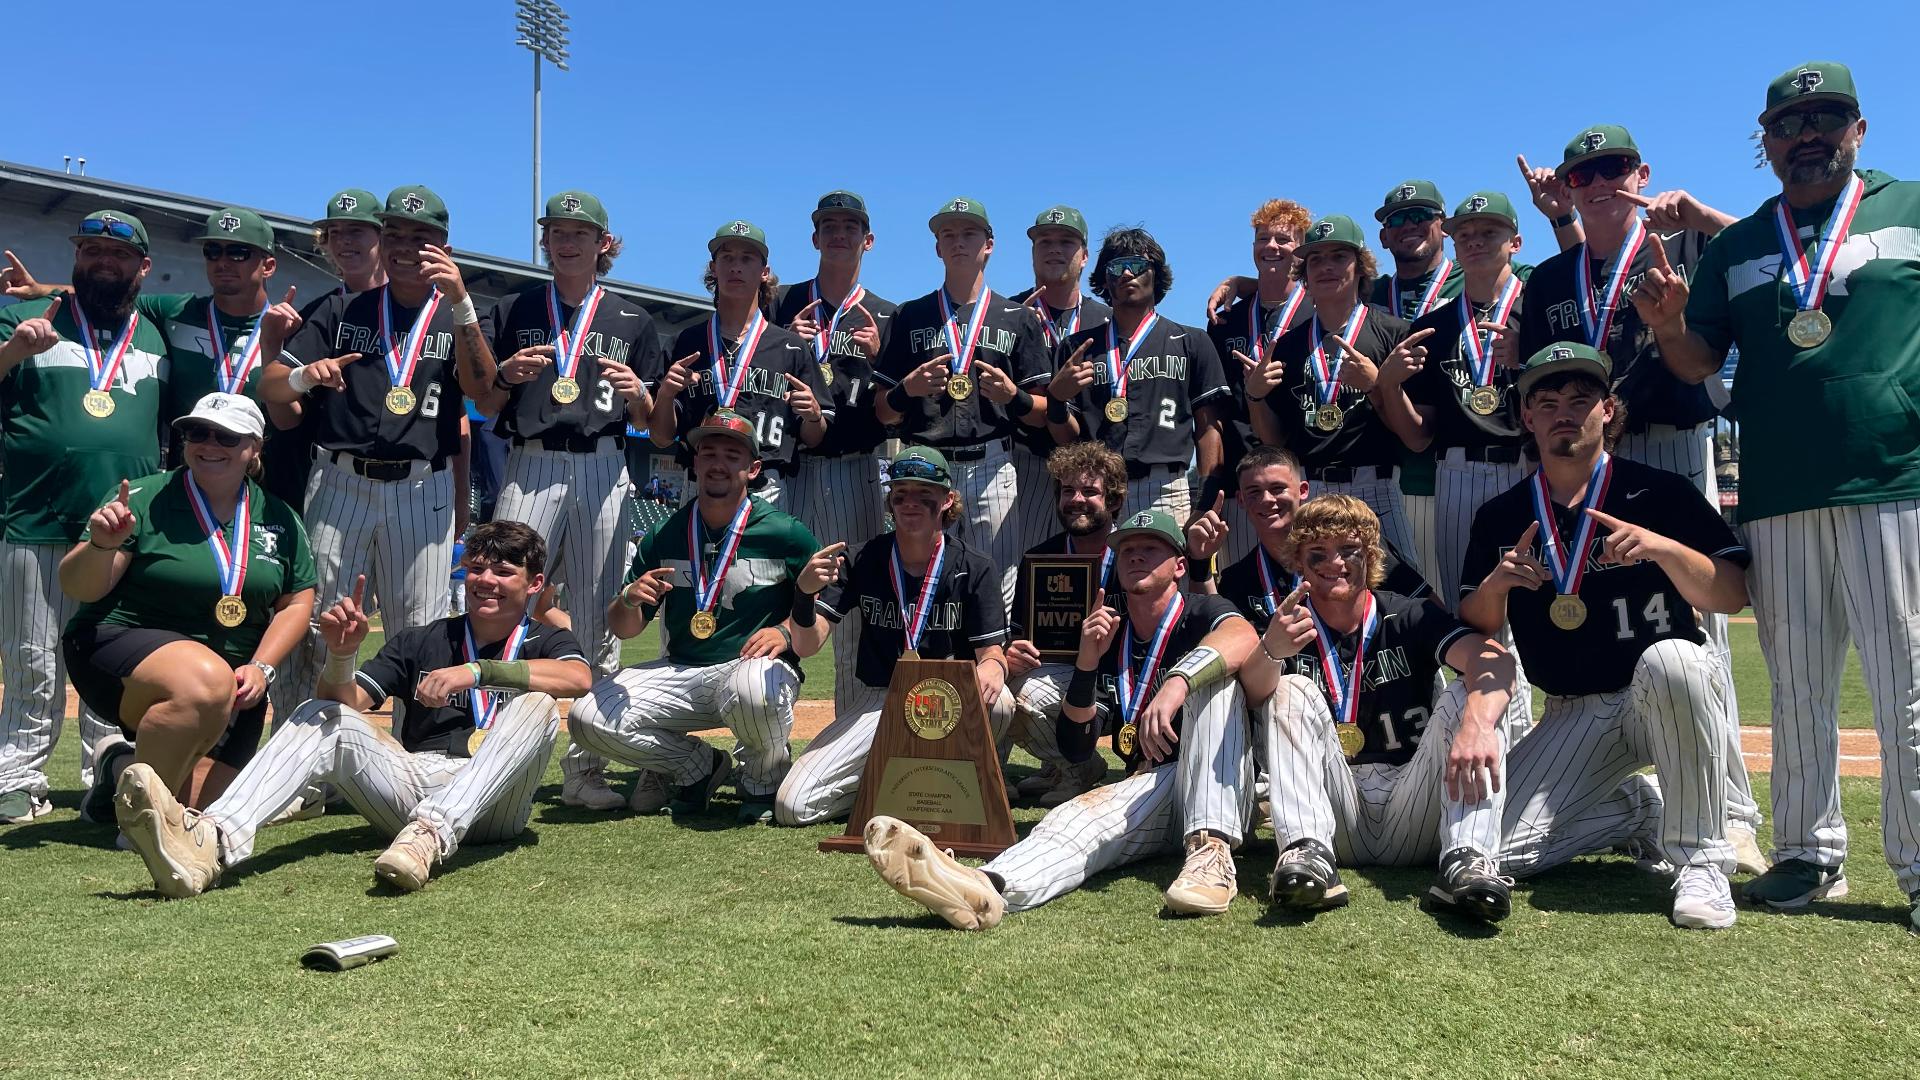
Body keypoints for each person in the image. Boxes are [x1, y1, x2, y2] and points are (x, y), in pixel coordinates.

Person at [1638, 61, 1920, 927]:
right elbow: (1698, 365)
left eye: (1828, 117)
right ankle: (1806, 853)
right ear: (1765, 143)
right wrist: (1668, 327)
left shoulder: (1908, 208)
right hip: (1777, 489)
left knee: (1905, 682)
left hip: (1892, 478)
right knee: (1797, 686)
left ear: (1859, 130)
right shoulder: (1739, 245)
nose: (1809, 135)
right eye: (1790, 123)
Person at [111, 519, 592, 897]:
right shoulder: (421, 640)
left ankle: (431, 835)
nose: (486, 581)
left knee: (537, 707)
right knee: (319, 714)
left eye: (504, 572)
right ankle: (211, 841)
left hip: (495, 799)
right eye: (478, 569)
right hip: (415, 784)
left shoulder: (547, 639)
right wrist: (342, 655)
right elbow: (342, 705)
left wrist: (479, 671)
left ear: (534, 585)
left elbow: (578, 678)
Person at [1513, 123, 1758, 843]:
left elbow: (1773, 250)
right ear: (1569, 186)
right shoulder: (1556, 276)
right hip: (1591, 459)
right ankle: (1634, 791)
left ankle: (1731, 813)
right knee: (1606, 611)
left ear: (1642, 173)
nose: (1599, 183)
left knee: (1697, 629)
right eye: (1583, 174)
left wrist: (1706, 216)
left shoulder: (1683, 243)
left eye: (1613, 167)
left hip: (1673, 444)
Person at [1460, 342, 1751, 929]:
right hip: (1575, 711)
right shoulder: (1502, 514)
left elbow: (1731, 593)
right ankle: (1640, 810)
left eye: (1579, 398)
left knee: (1676, 658)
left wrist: (1662, 548)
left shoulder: (1660, 492)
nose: (1563, 412)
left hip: (1665, 690)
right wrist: (1493, 588)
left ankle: (1700, 861)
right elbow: (1480, 625)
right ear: (1527, 418)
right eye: (1546, 402)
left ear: (1608, 410)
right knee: (1497, 849)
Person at [861, 508, 1258, 927]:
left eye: (1151, 549)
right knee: (1075, 819)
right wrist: (1087, 666)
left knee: (1217, 681)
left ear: (1180, 566)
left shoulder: (1200, 610)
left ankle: (1212, 855)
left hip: (1225, 795)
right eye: (1127, 551)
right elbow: (1076, 747)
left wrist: (1177, 682)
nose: (1136, 557)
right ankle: (981, 885)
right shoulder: (1115, 634)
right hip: (1158, 787)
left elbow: (1243, 636)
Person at [260, 185, 500, 733]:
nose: (405, 247)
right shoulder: (344, 308)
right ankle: (308, 760)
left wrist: (461, 302)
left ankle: (418, 752)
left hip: (423, 487)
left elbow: (483, 395)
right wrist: (303, 374)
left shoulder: (460, 317)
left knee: (420, 626)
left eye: (421, 238)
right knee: (326, 619)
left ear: (444, 246)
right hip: (341, 480)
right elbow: (270, 383)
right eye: (394, 235)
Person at [1241, 495, 1517, 923]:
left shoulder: (1409, 614)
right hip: (1336, 809)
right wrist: (1270, 650)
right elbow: (1253, 696)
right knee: (1289, 687)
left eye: (1349, 551)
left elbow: (1494, 660)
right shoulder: (1288, 623)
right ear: (1298, 561)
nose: (1334, 563)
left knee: (1469, 695)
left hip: (1415, 799)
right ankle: (1305, 851)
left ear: (1370, 558)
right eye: (1318, 552)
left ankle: (1468, 859)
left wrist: (1477, 725)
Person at [474, 190, 660, 812]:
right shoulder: (513, 307)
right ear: (545, 240)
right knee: (502, 601)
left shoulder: (633, 321)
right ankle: (492, 762)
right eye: (557, 230)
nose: (568, 240)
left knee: (597, 613)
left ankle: (587, 767)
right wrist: (505, 376)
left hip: (604, 464)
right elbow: (489, 404)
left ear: (604, 244)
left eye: (581, 232)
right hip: (529, 459)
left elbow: (652, 419)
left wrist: (640, 394)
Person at [59, 394, 314, 818]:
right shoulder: (143, 497)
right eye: (198, 432)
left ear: (254, 447)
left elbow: (297, 600)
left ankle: (118, 768)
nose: (210, 444)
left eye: (227, 436)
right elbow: (79, 586)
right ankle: (142, 824)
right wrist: (102, 544)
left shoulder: (280, 516)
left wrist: (263, 667)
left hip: (233, 685)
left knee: (217, 804)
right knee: (203, 682)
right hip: (119, 649)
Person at [567, 411, 819, 824]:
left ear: (753, 469)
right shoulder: (667, 532)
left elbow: (822, 608)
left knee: (754, 687)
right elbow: (625, 628)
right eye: (709, 453)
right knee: (587, 719)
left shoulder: (785, 531)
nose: (719, 463)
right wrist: (628, 600)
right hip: (682, 670)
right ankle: (698, 768)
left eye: (732, 455)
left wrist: (785, 631)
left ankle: (762, 779)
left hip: (750, 670)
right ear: (696, 463)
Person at [0, 210, 169, 824]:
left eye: (118, 255)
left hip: (125, 529)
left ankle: (110, 768)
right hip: (36, 517)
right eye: (91, 250)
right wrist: (15, 350)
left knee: (111, 656)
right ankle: (17, 775)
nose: (104, 261)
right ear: (76, 258)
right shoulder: (25, 320)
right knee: (32, 655)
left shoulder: (155, 328)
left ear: (142, 268)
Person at [775, 446, 1013, 826]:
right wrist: (803, 596)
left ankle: (953, 781)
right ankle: (896, 785)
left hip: (947, 698)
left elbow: (992, 653)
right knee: (793, 805)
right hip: (882, 699)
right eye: (900, 494)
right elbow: (807, 643)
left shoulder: (976, 566)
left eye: (924, 495)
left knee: (999, 701)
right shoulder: (863, 559)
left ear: (947, 499)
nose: (910, 504)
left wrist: (993, 668)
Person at [873, 197, 1054, 607]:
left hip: (993, 464)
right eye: (948, 235)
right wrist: (908, 389)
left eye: (969, 233)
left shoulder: (1016, 317)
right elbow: (882, 410)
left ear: (989, 245)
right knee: (922, 586)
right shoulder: (910, 315)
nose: (958, 242)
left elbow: (1045, 414)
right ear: (937, 247)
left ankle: (990, 671)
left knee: (998, 589)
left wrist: (1015, 396)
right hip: (925, 463)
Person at [773, 191, 899, 714]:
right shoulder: (780, 304)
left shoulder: (889, 316)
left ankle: (854, 740)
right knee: (775, 599)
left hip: (856, 468)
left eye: (851, 226)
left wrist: (880, 355)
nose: (839, 234)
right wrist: (783, 338)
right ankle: (766, 746)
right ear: (814, 237)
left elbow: (901, 406)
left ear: (867, 240)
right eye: (829, 225)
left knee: (855, 602)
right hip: (789, 468)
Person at [1244, 215, 1423, 563]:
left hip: (1377, 487)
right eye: (1316, 259)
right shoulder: (1287, 346)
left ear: (1361, 266)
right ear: (1304, 273)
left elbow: (1415, 437)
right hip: (1312, 489)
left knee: (1401, 596)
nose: (1326, 267)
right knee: (1320, 597)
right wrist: (1255, 397)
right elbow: (1274, 442)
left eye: (1338, 256)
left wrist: (1377, 386)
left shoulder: (1393, 333)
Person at [1045, 227, 1228, 521]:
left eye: (1139, 266)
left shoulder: (1191, 341)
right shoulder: (1078, 347)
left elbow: (1208, 428)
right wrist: (1055, 398)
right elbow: (1067, 439)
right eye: (1117, 267)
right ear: (1105, 278)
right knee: (1100, 569)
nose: (1127, 274)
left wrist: (1205, 500)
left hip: (1166, 487)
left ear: (1156, 274)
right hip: (1096, 488)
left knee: (1167, 568)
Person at [650, 220, 830, 508]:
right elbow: (660, 437)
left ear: (764, 272)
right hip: (700, 480)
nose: (736, 266)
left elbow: (815, 437)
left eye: (747, 259)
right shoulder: (685, 342)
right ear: (713, 268)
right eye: (727, 258)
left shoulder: (791, 347)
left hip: (766, 484)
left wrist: (813, 416)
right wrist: (666, 395)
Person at [1003, 442, 1127, 806]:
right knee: (1000, 678)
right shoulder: (1041, 558)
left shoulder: (1135, 553)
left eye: (1090, 491)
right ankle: (1061, 767)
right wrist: (1012, 651)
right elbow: (1021, 629)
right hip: (1059, 673)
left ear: (1115, 501)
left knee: (1027, 696)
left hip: (1119, 681)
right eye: (1068, 490)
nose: (1077, 499)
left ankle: (1076, 768)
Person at [1207, 198, 1315, 565]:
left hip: (1300, 479)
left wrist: (1240, 282)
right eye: (1263, 239)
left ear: (1302, 250)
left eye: (1284, 240)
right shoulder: (1226, 321)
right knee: (1244, 585)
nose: (1272, 247)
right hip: (1244, 483)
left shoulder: (1318, 312)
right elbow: (1217, 413)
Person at [1010, 206, 1109, 556]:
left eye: (1066, 242)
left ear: (1084, 256)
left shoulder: (1107, 320)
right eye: (1044, 241)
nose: (1054, 248)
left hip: (1093, 469)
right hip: (1027, 462)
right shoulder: (1008, 313)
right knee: (1027, 567)